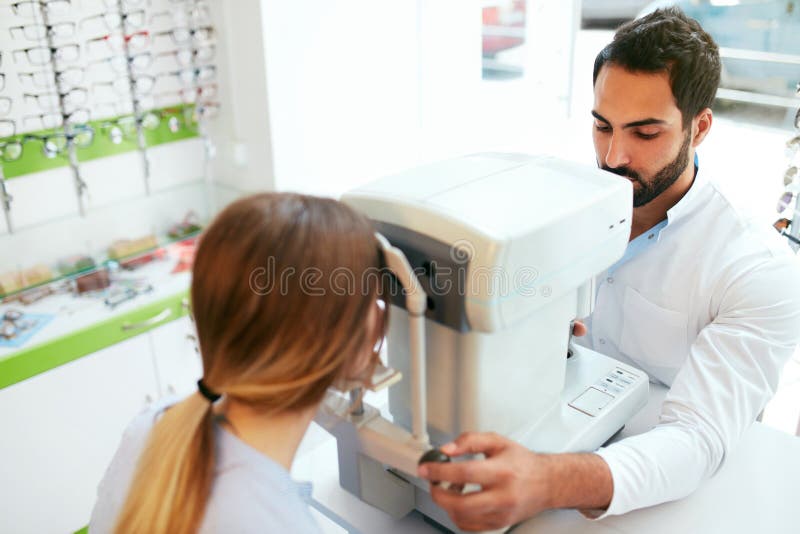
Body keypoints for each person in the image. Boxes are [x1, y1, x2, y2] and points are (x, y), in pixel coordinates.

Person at [417, 7, 800, 531]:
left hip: (664, 503)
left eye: (645, 133)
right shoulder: (557, 205)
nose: (614, 157)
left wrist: (546, 481)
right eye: (602, 126)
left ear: (700, 128)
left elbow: (699, 438)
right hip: (545, 432)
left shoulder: (757, 269)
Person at [89, 193, 388, 534]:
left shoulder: (153, 425)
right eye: (372, 299)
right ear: (334, 340)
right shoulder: (275, 523)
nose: (380, 314)